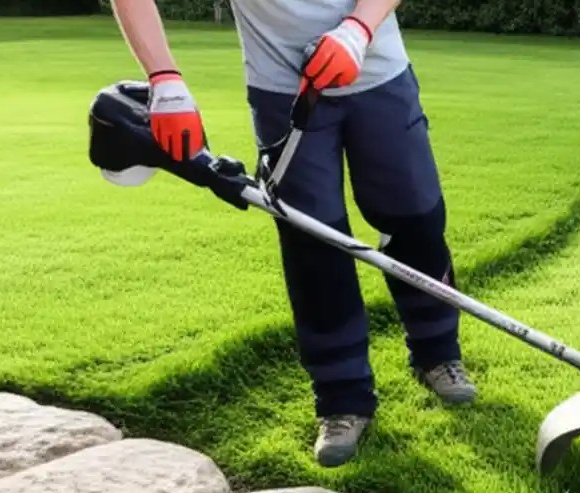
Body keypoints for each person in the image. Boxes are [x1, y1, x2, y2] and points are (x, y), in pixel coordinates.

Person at [109, 0, 477, 467]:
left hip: (379, 73)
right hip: (284, 91)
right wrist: (163, 78)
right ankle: (342, 397)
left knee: (417, 219)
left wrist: (358, 30)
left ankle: (438, 352)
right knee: (314, 245)